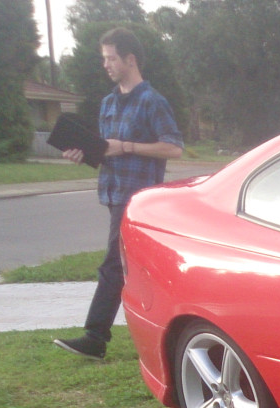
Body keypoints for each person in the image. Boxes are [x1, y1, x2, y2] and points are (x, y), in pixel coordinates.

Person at [53, 27, 183, 360]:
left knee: (113, 265)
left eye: (111, 58)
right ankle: (171, 330)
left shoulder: (153, 102)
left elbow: (173, 148)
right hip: (113, 193)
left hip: (139, 198)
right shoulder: (109, 102)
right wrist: (84, 153)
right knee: (135, 268)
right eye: (104, 59)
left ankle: (95, 337)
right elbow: (104, 151)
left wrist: (124, 146)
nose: (106, 65)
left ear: (130, 59)